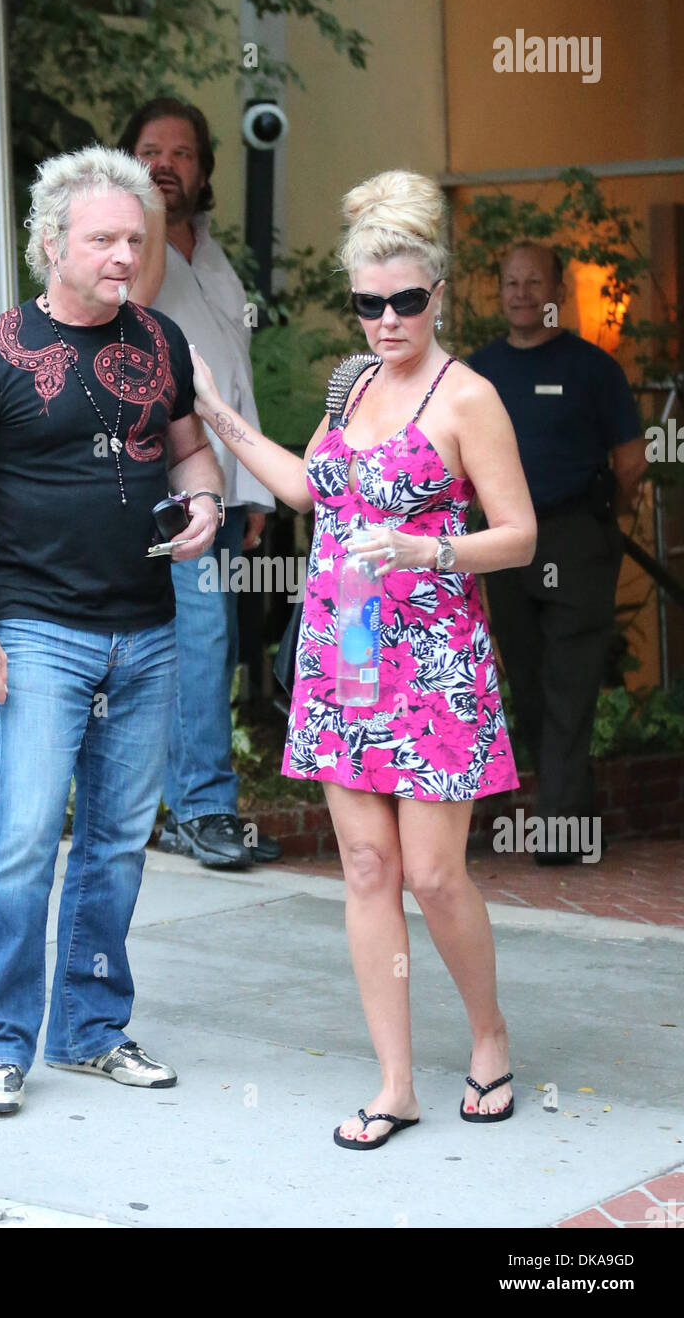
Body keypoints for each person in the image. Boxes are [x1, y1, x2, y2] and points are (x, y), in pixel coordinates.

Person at [187, 170, 537, 1147]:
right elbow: (308, 490)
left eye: (405, 302)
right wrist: (219, 415)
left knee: (432, 874)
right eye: (368, 303)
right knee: (366, 864)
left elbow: (520, 534)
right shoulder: (351, 384)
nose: (386, 320)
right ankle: (394, 1082)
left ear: (437, 292)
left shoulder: (468, 396)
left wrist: (434, 549)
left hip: (433, 660)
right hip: (343, 655)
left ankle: (489, 1034)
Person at [0, 146, 225, 1115]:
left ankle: (91, 1030)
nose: (124, 255)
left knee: (118, 843)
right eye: (102, 238)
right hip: (39, 632)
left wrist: (208, 506)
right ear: (50, 242)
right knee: (22, 836)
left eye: (134, 239)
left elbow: (191, 455)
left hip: (146, 628)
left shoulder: (163, 341)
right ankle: (1, 1041)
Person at [116, 97, 281, 871]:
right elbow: (133, 309)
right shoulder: (132, 244)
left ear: (205, 170)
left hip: (221, 485)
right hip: (163, 477)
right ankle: (203, 810)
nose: (165, 163)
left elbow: (232, 385)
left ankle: (185, 806)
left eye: (181, 153)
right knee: (201, 638)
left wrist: (251, 492)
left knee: (197, 647)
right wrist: (141, 208)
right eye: (149, 150)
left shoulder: (211, 253)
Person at [468, 243, 644, 864]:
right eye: (509, 281)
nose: (519, 292)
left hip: (576, 538)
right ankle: (573, 811)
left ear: (557, 291)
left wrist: (601, 525)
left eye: (532, 281)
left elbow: (631, 461)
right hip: (503, 542)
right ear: (499, 290)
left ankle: (561, 833)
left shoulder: (594, 368)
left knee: (570, 682)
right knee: (531, 681)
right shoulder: (477, 371)